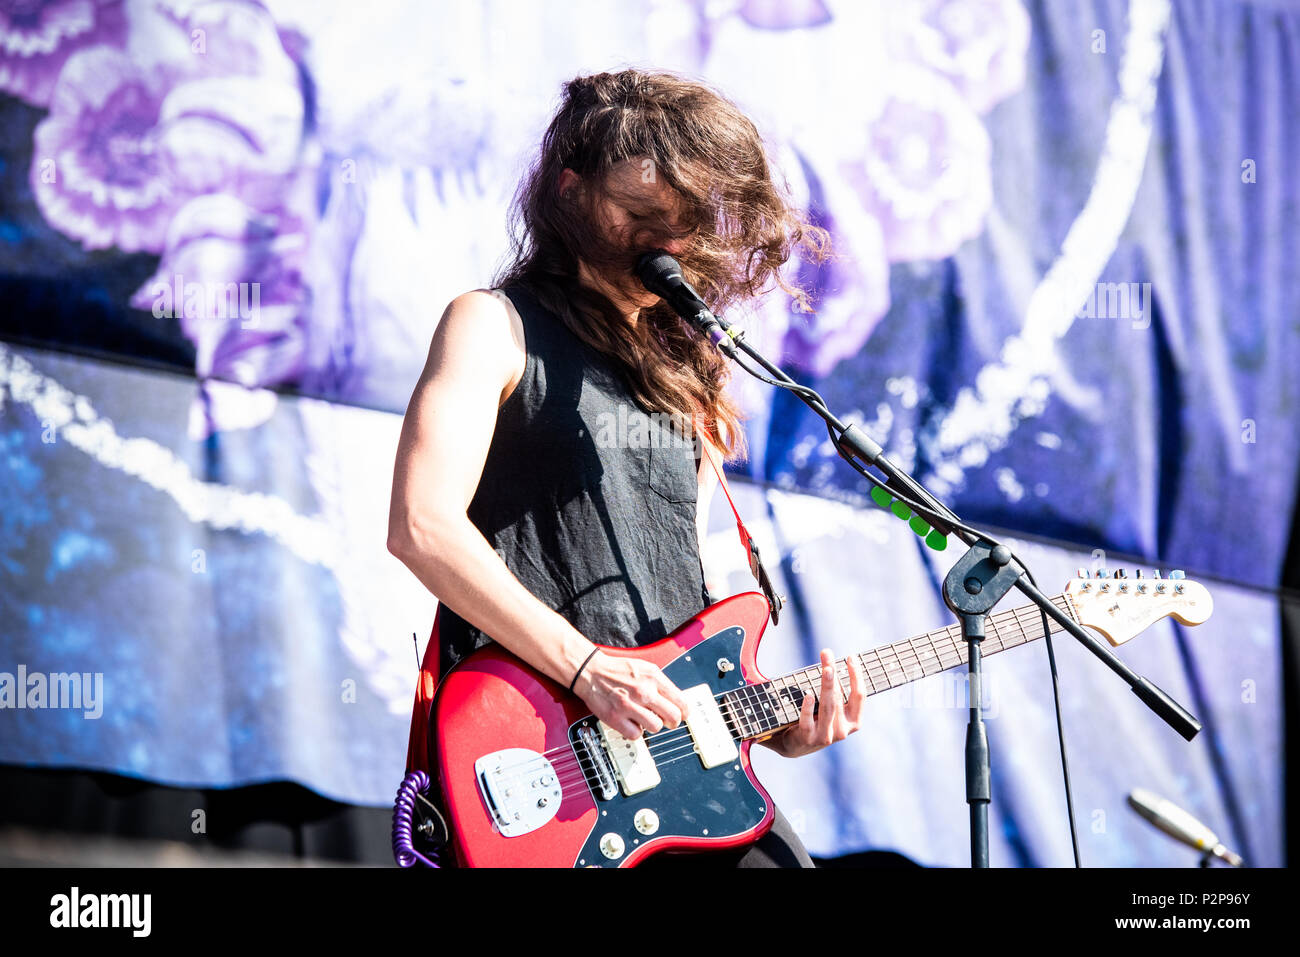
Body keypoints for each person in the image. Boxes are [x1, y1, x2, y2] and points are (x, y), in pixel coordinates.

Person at [388, 69, 864, 867]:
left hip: (681, 762)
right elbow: (420, 526)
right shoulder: (492, 325)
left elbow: (700, 588)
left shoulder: (694, 374)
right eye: (641, 215)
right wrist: (587, 665)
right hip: (548, 755)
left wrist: (775, 721)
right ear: (570, 192)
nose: (668, 243)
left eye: (685, 224)